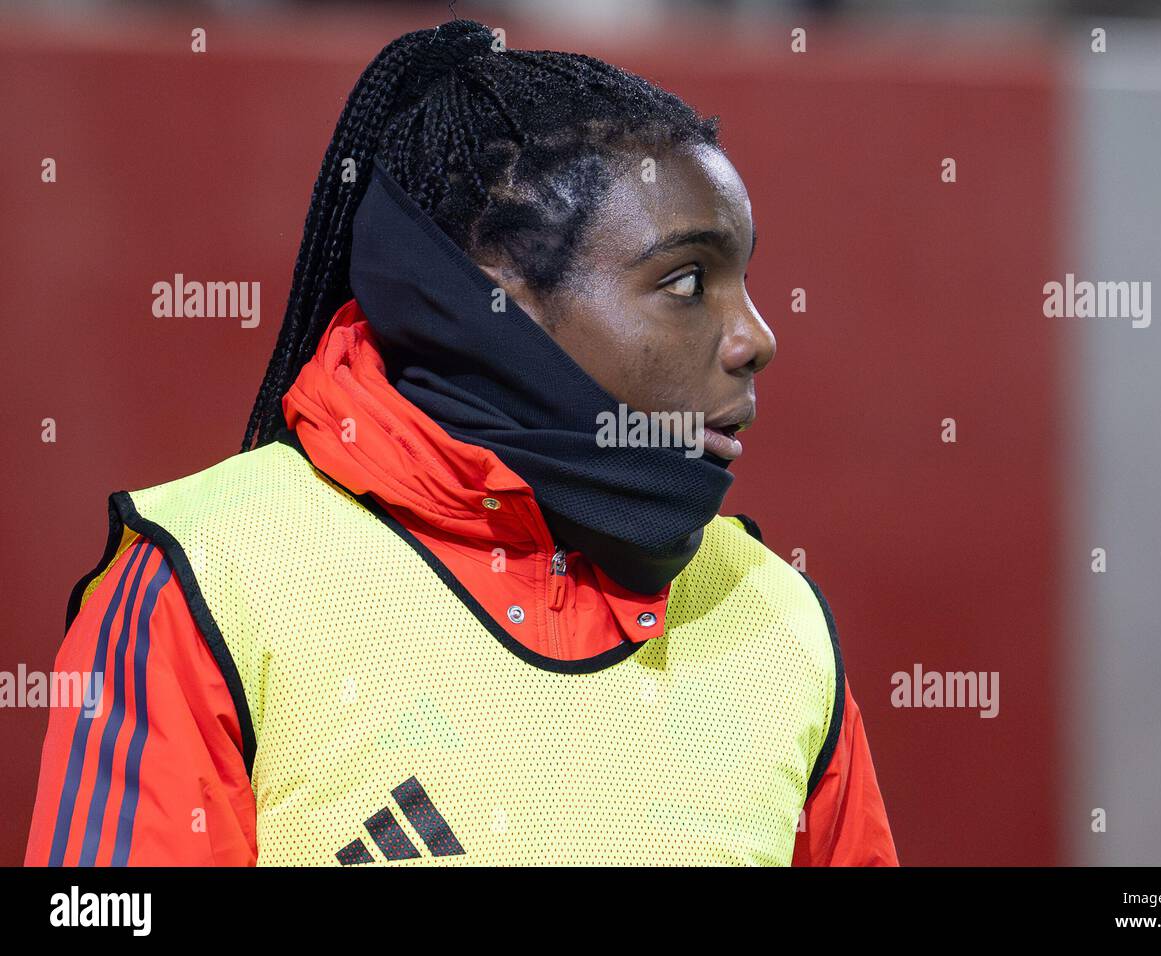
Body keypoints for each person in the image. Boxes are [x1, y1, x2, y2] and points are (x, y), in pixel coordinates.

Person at [26, 19, 898, 866]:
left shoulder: (780, 625)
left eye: (743, 279)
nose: (756, 336)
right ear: (494, 302)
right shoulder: (209, 576)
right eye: (685, 280)